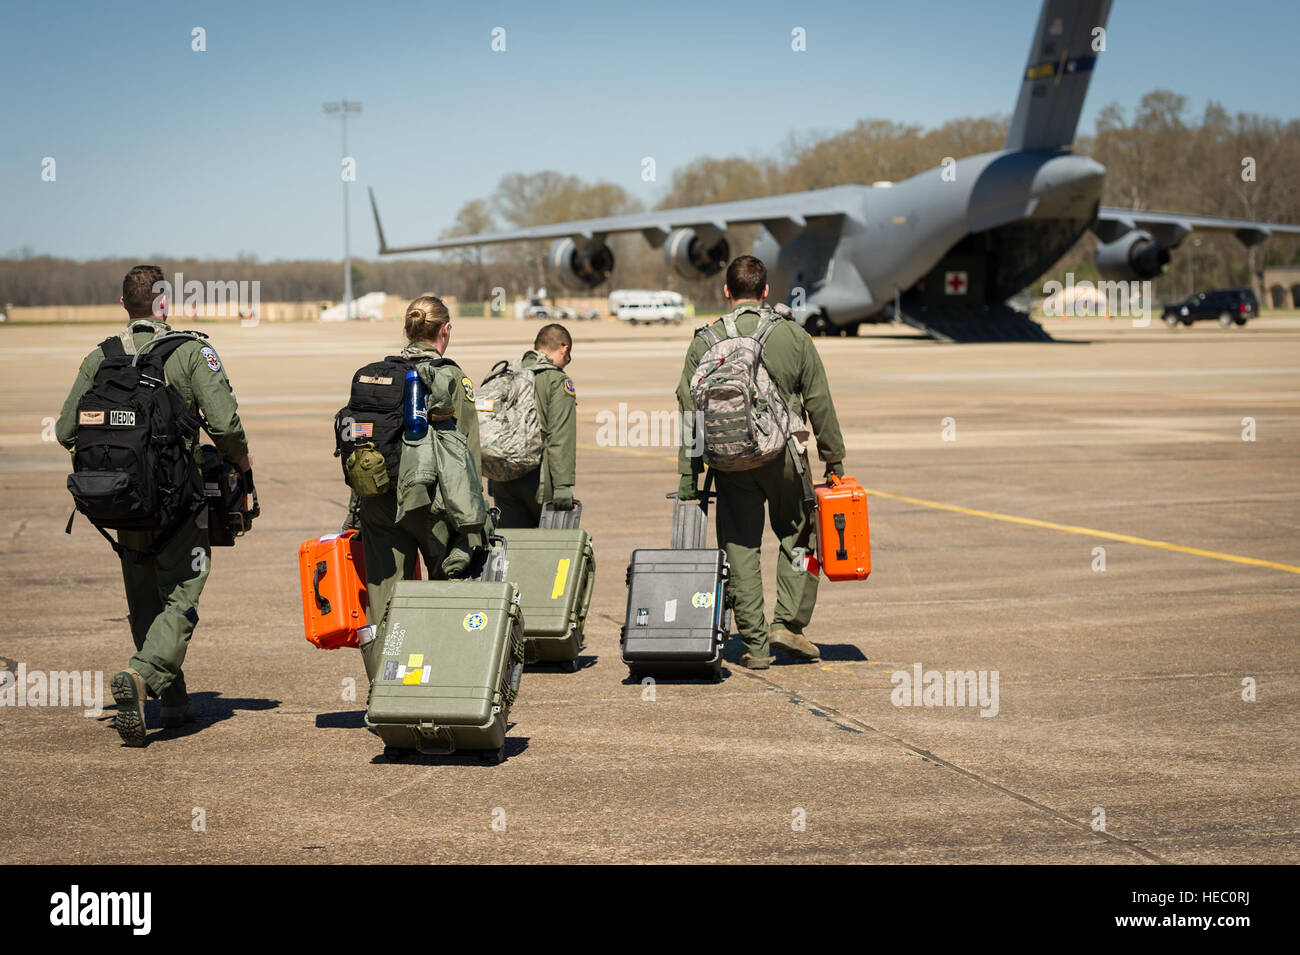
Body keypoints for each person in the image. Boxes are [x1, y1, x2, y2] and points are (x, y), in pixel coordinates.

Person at [56, 264, 251, 745]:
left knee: (144, 600)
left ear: (125, 305)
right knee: (183, 594)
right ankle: (142, 676)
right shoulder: (190, 352)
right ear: (165, 302)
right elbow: (224, 426)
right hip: (178, 504)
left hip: (121, 503)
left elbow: (65, 432)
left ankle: (175, 700)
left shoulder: (99, 357)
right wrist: (242, 469)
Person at [675, 255, 846, 669]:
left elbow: (687, 407)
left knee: (740, 545)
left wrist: (689, 474)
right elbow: (818, 401)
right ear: (766, 290)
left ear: (726, 292)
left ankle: (755, 645)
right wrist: (834, 459)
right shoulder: (792, 335)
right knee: (800, 536)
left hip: (729, 461)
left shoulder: (705, 339)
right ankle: (787, 624)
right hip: (785, 456)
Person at [349, 295, 486, 683]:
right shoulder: (452, 377)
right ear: (445, 331)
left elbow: (364, 446)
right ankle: (439, 687)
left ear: (405, 331)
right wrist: (475, 522)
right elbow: (468, 454)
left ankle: (386, 691)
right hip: (433, 506)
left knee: (386, 604)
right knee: (446, 595)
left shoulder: (377, 376)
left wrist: (356, 507)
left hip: (376, 500)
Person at [488, 323, 577, 528]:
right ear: (564, 348)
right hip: (539, 482)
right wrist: (563, 484)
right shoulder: (557, 381)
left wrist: (494, 478)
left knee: (511, 550)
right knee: (550, 550)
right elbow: (560, 435)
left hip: (504, 478)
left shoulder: (506, 375)